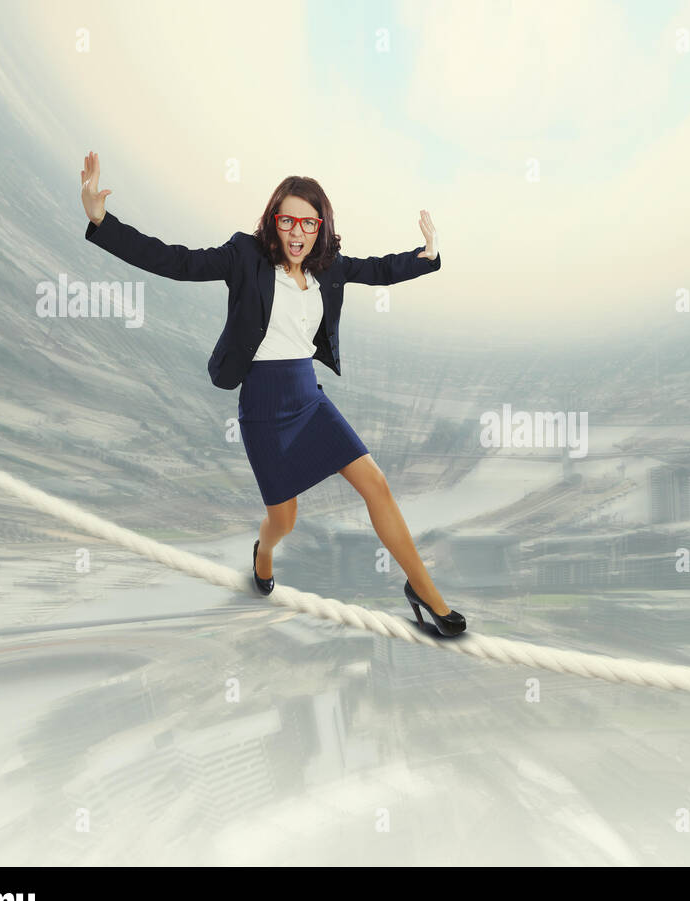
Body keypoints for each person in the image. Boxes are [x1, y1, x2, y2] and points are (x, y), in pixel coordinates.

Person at [78, 151, 465, 636]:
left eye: (309, 222)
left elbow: (378, 269)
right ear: (274, 221)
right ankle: (263, 552)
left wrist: (425, 256)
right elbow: (176, 261)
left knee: (376, 484)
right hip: (263, 406)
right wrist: (102, 221)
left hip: (310, 399)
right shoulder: (245, 256)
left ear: (321, 226)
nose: (298, 232)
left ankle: (424, 590)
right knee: (284, 521)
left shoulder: (329, 268)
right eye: (288, 220)